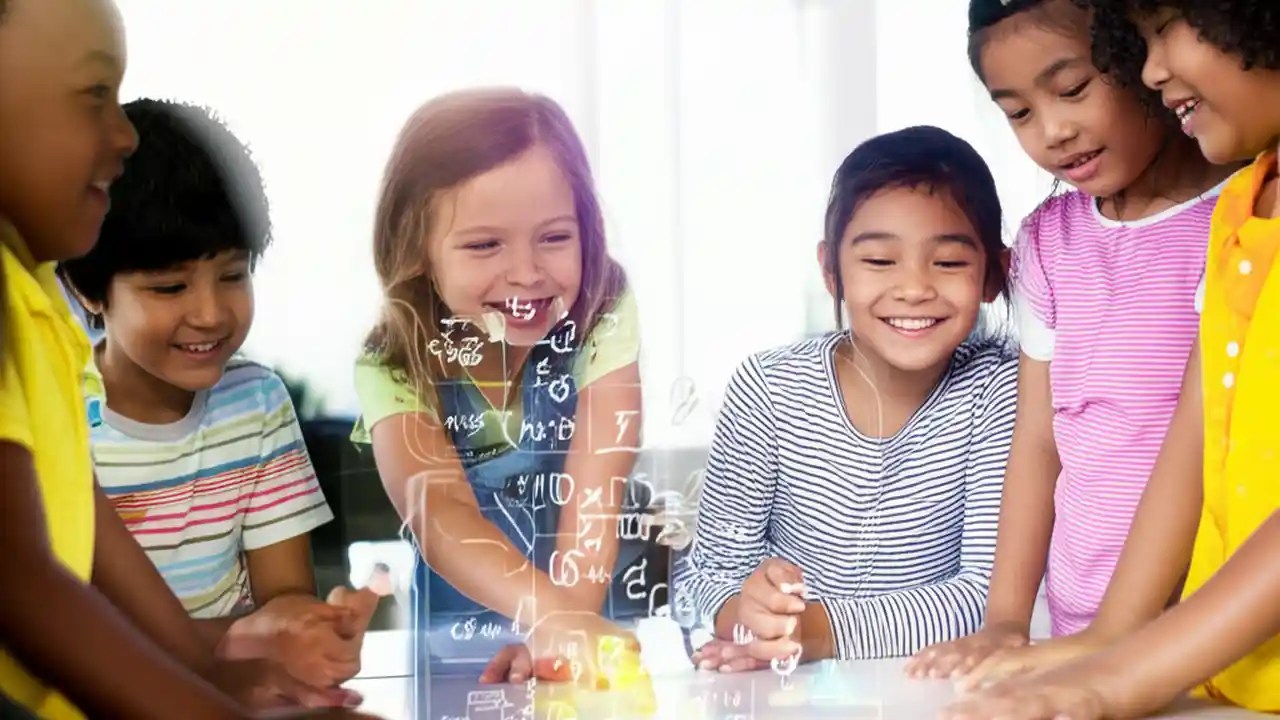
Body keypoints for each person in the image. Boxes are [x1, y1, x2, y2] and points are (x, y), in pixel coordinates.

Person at [0, 0, 377, 717]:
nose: (121, 134)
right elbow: (26, 582)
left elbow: (84, 527)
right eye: (92, 97)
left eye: (234, 274)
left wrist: (227, 663)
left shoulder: (36, 301)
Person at [941, 0, 1280, 716]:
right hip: (1155, 657)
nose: (1151, 68)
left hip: (1204, 651)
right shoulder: (1237, 211)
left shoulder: (1220, 216)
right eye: (1019, 112)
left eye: (1072, 89)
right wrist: (1076, 635)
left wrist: (1118, 664)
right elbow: (1053, 441)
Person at [60, 98, 378, 691]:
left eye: (233, 275)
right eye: (170, 286)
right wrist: (245, 639)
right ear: (89, 289)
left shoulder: (255, 404)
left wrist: (312, 628)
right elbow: (71, 631)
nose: (209, 313)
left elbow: (281, 600)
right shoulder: (59, 412)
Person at [682, 125, 1018, 671]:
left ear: (992, 274)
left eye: (949, 263)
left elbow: (988, 597)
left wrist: (817, 630)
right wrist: (745, 615)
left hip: (923, 690)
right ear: (830, 269)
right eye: (880, 262)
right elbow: (703, 578)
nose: (914, 288)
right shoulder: (769, 389)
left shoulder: (997, 392)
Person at [353, 87, 644, 687]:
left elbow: (594, 496)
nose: (526, 272)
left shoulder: (603, 312)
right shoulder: (394, 359)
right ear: (419, 253)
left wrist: (561, 635)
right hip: (457, 659)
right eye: (485, 244)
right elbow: (439, 512)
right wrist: (550, 618)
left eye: (555, 237)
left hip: (579, 636)